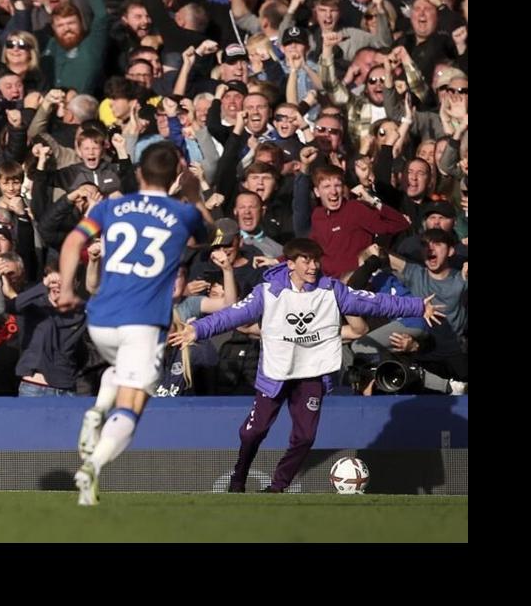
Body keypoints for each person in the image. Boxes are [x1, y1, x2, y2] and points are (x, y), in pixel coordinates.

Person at [168, 238, 441, 493]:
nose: (313, 266)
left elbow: (375, 302)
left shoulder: (331, 290)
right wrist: (198, 330)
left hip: (311, 373)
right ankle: (239, 477)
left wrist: (417, 306)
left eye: (316, 260)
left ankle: (276, 488)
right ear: (290, 264)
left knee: (305, 437)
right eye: (306, 261)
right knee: (254, 432)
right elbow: (233, 314)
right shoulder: (268, 292)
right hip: (275, 373)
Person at [54, 143, 207, 506]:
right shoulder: (183, 214)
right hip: (143, 322)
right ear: (175, 176)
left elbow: (74, 239)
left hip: (101, 318)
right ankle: (93, 465)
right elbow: (209, 235)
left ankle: (95, 410)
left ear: (138, 173)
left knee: (118, 371)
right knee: (133, 405)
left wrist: (65, 285)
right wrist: (194, 193)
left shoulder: (109, 206)